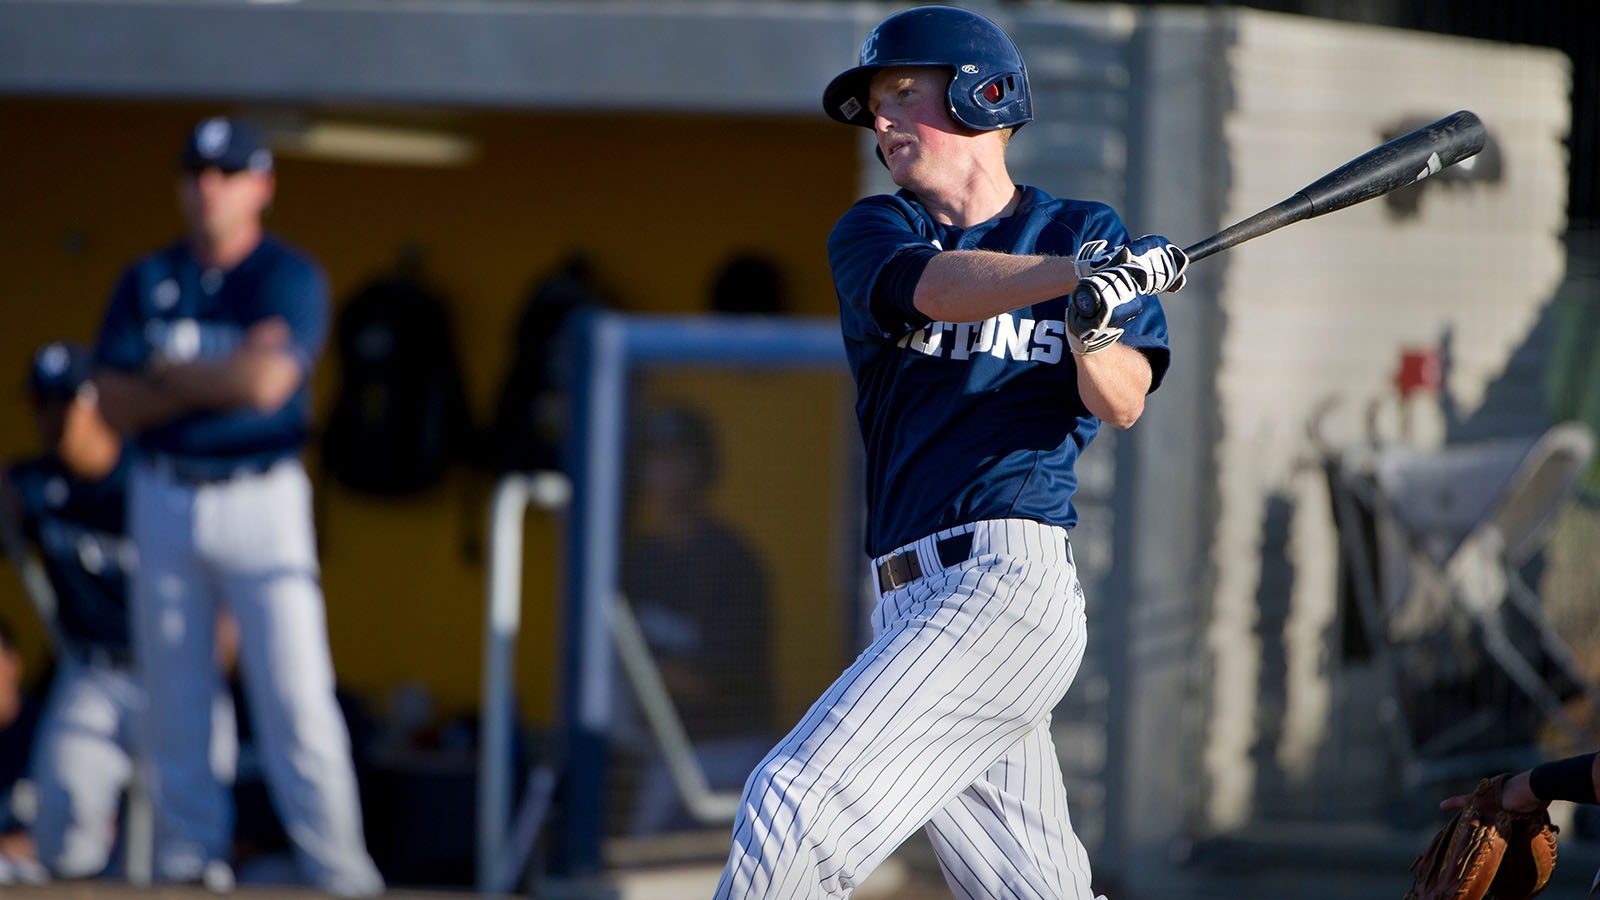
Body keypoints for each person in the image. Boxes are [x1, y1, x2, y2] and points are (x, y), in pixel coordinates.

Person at [716, 8, 1188, 898]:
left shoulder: (1081, 226)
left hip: (1005, 586)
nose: (883, 120)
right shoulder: (876, 230)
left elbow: (1122, 400)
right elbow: (931, 290)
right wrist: (1080, 275)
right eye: (875, 103)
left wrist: (1092, 326)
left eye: (902, 94)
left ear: (984, 94)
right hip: (907, 602)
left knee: (794, 805)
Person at [89, 116, 384, 896]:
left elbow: (265, 386)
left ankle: (339, 872)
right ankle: (191, 863)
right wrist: (213, 371)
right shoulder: (148, 275)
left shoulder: (287, 274)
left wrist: (166, 369)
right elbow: (110, 402)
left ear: (261, 185)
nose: (208, 187)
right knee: (176, 696)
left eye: (226, 173)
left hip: (263, 495)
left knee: (296, 698)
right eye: (196, 172)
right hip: (165, 490)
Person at [0, 340, 238, 881]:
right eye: (42, 403)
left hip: (176, 668)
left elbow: (219, 566)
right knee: (63, 823)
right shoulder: (34, 485)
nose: (56, 417)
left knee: (188, 844)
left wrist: (220, 651)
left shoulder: (151, 476)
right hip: (92, 671)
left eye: (69, 400)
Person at [619, 405, 775, 834]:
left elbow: (707, 681)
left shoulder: (732, 561)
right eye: (655, 458)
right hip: (661, 754)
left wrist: (637, 674)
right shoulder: (640, 561)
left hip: (731, 753)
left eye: (677, 458)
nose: (664, 473)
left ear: (702, 467)